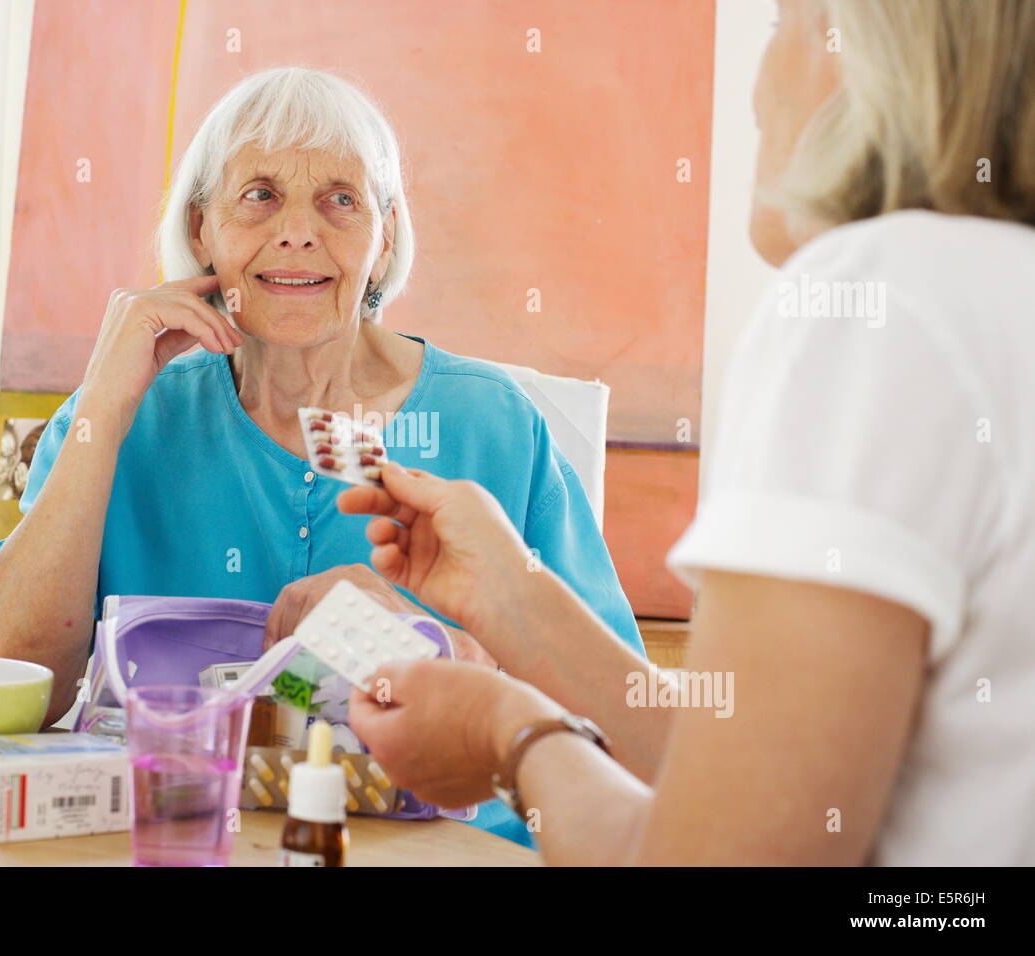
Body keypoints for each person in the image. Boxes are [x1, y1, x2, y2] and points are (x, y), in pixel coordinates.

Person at [344, 0, 1035, 865]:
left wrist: (510, 733)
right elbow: (766, 784)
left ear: (869, 52)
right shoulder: (995, 293)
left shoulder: (880, 300)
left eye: (784, 23)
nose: (753, 88)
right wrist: (516, 599)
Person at [0, 67, 642, 845]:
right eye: (259, 195)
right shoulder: (126, 417)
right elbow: (6, 692)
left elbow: (621, 740)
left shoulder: (494, 426)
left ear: (383, 239)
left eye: (340, 200)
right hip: (175, 851)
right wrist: (102, 411)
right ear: (199, 230)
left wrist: (437, 652)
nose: (297, 231)